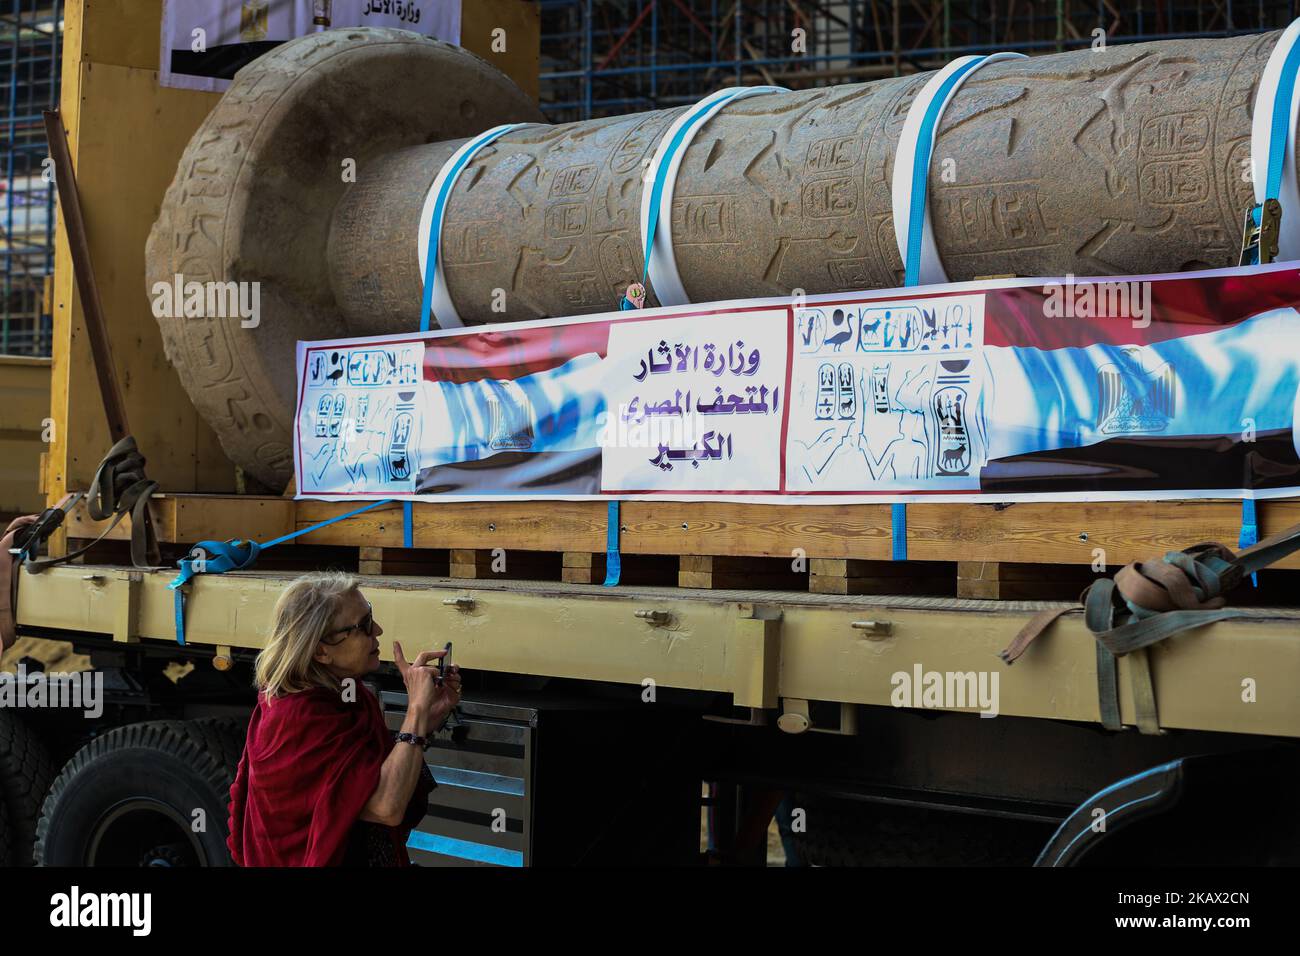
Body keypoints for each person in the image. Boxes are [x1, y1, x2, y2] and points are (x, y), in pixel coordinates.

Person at [226, 571, 461, 866]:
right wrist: (414, 709)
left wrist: (426, 717)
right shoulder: (296, 719)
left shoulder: (348, 695)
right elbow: (386, 806)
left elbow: (370, 777)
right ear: (321, 650)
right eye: (362, 626)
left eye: (370, 615)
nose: (378, 629)